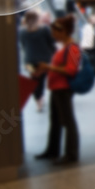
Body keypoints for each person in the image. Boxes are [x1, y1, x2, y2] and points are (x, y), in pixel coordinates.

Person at [35, 15, 82, 165]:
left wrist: (48, 67)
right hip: (56, 89)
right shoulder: (64, 47)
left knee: (68, 122)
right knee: (55, 121)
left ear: (64, 32)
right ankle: (52, 150)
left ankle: (71, 154)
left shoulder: (73, 48)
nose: (53, 35)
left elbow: (71, 70)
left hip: (64, 89)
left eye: (55, 32)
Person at [19, 10, 57, 113]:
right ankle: (41, 98)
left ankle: (38, 100)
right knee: (42, 79)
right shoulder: (44, 29)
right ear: (37, 19)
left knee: (34, 80)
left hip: (29, 61)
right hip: (44, 61)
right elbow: (51, 43)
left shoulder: (22, 31)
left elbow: (23, 45)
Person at [80, 13, 95, 77]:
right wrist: (83, 45)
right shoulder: (87, 27)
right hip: (88, 46)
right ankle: (91, 72)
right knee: (90, 59)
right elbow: (84, 37)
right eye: (93, 19)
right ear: (90, 20)